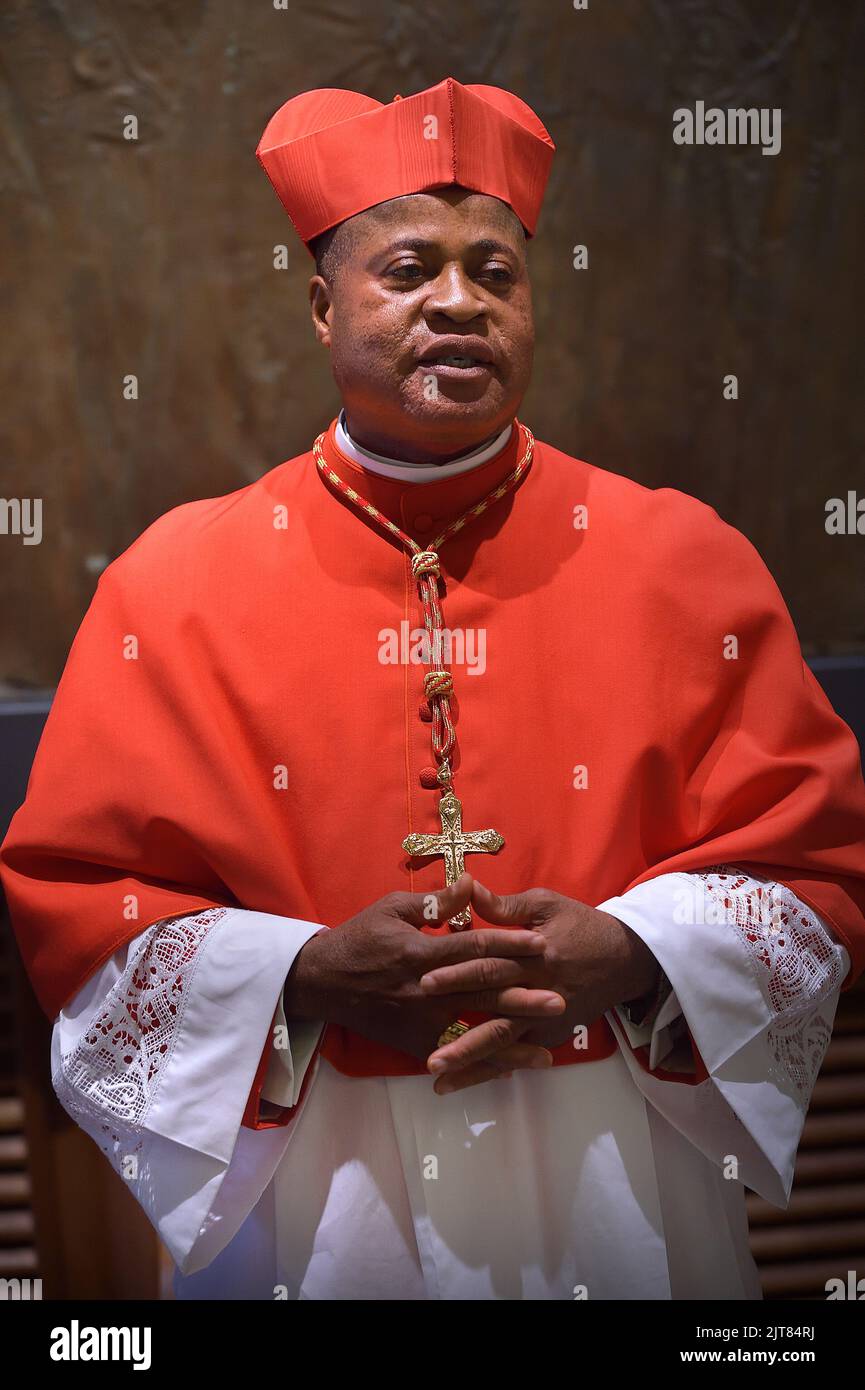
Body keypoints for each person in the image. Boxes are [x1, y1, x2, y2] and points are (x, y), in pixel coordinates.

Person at [2, 77, 865, 1301]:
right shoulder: (172, 585)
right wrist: (304, 974)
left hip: (617, 1168)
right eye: (408, 269)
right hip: (318, 1181)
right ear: (321, 306)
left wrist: (629, 947)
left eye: (495, 273)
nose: (458, 302)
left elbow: (816, 868)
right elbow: (84, 906)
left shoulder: (683, 558)